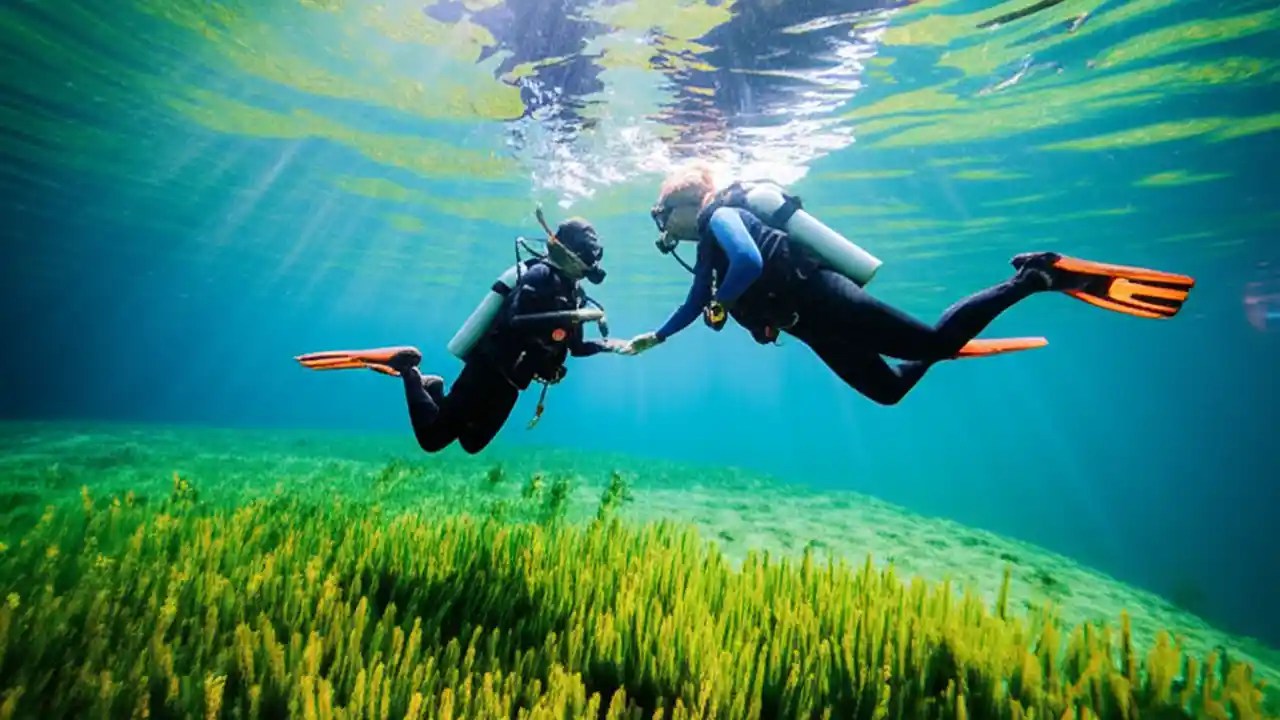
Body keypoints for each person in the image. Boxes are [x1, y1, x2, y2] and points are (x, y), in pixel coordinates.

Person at [620, 163, 1195, 405]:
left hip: (823, 299)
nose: (665, 229)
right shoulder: (707, 245)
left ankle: (1035, 276)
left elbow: (746, 263)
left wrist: (723, 305)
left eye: (663, 216)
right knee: (889, 390)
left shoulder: (720, 216)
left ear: (687, 203)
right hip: (813, 327)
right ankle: (936, 342)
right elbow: (696, 299)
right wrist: (657, 337)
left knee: (936, 343)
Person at [297, 215, 627, 453]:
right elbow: (514, 320)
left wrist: (613, 345)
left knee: (472, 443)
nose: (588, 267)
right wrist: (571, 316)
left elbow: (577, 347)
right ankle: (409, 369)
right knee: (432, 440)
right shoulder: (539, 275)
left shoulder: (574, 295)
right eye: (586, 258)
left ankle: (434, 388)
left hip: (513, 383)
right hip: (487, 371)